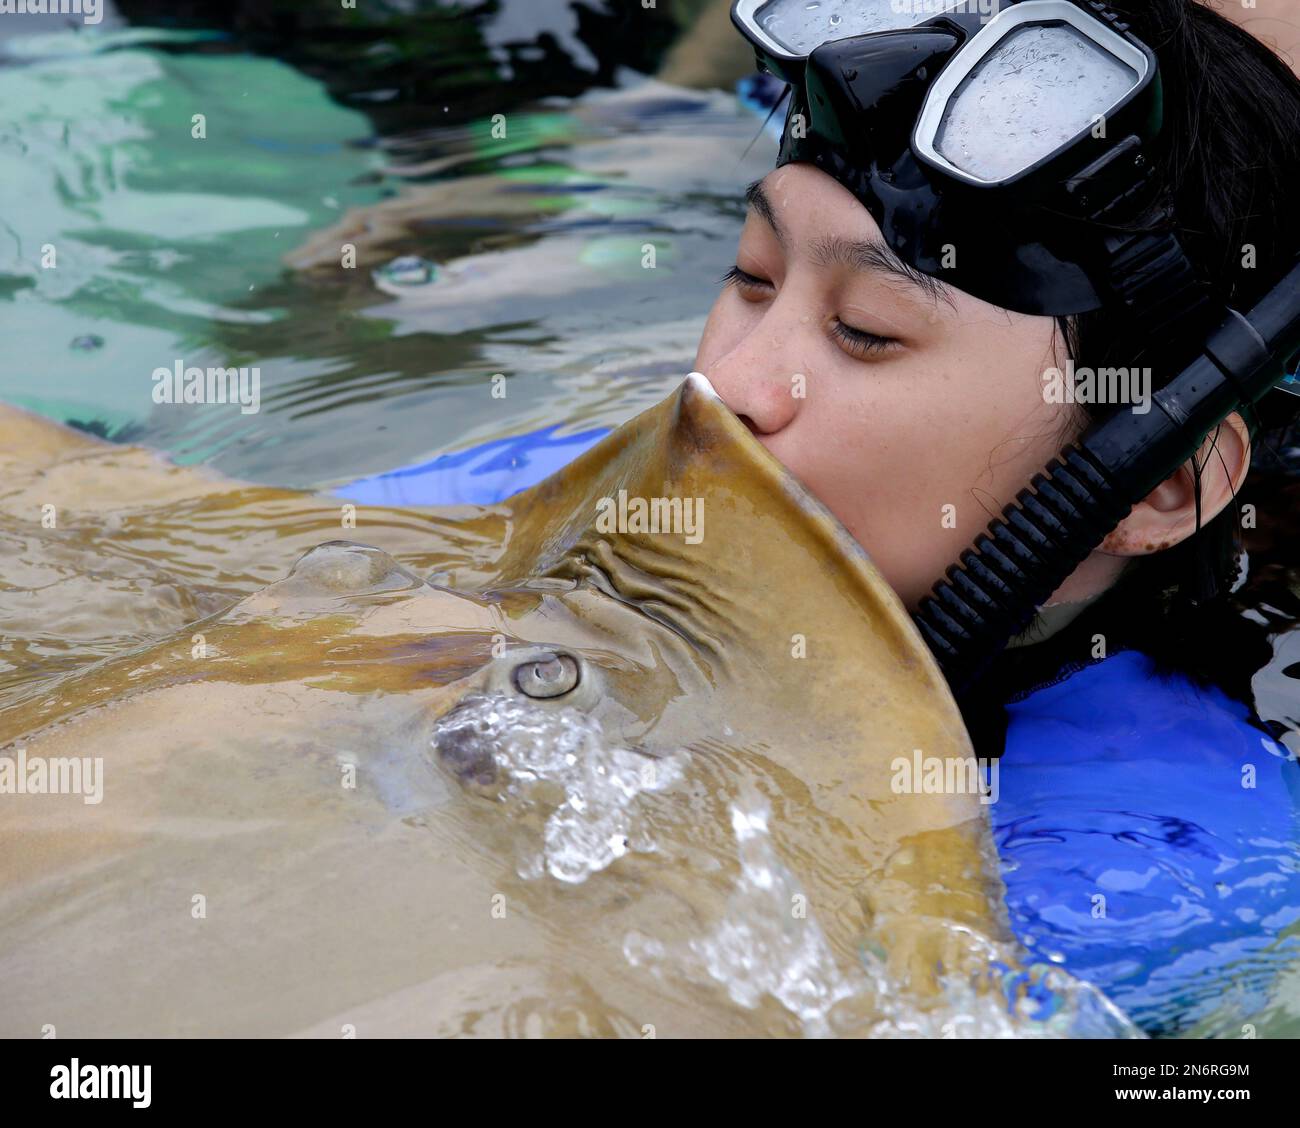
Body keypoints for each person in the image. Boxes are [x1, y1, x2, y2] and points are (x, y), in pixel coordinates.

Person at [344, 0, 1300, 1034]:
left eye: (864, 333)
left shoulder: (1158, 863)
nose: (733, 387)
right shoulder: (574, 487)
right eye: (752, 279)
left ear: (1155, 487)